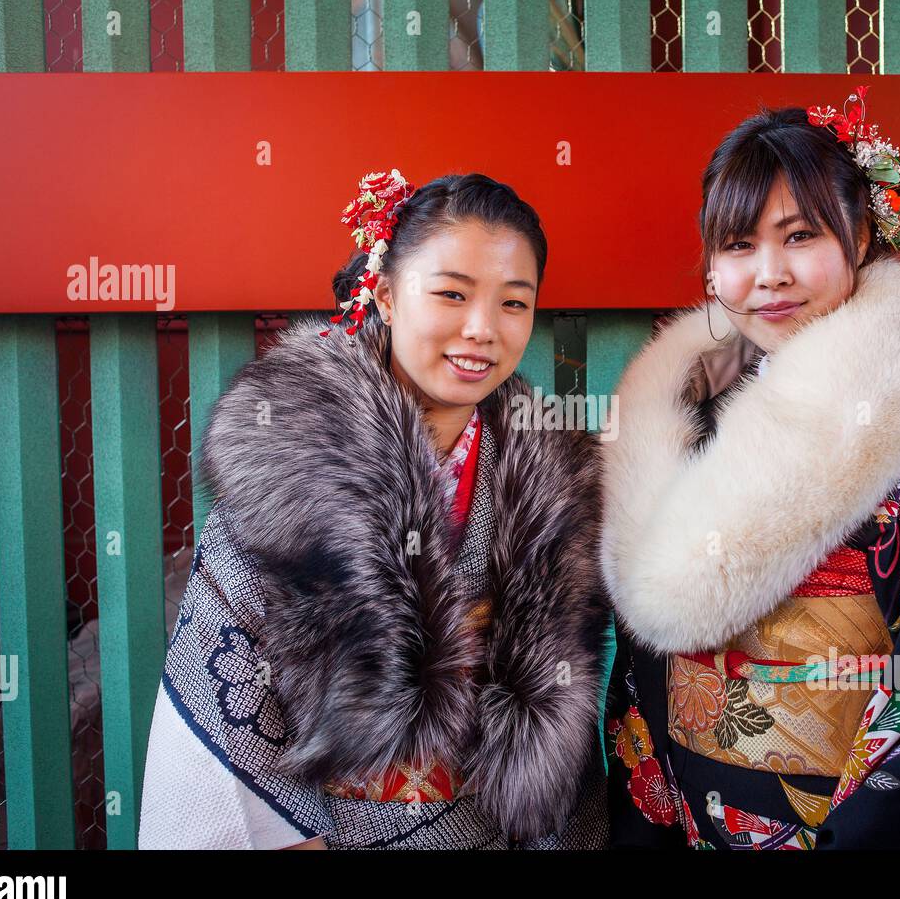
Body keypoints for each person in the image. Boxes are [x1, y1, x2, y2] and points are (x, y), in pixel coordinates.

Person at [601, 90, 900, 849]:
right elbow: (645, 683)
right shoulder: (687, 414)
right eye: (738, 246)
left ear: (861, 235)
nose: (769, 274)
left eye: (799, 236)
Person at [139, 170, 610, 849]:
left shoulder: (556, 487)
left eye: (514, 303)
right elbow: (231, 708)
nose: (482, 330)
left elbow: (562, 726)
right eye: (451, 293)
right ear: (387, 294)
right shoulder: (289, 462)